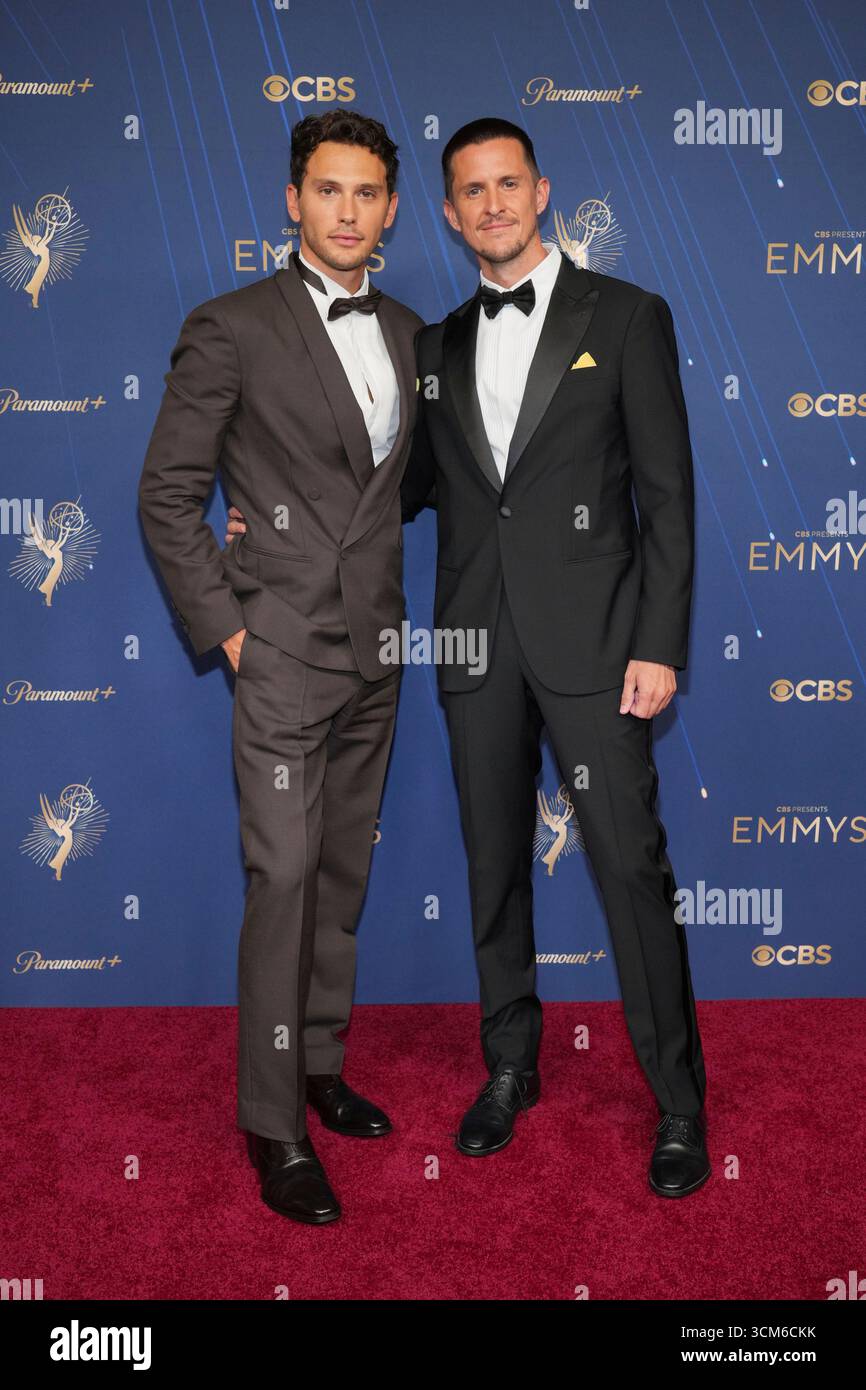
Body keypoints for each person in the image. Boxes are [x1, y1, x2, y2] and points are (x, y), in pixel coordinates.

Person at [228, 115, 710, 1199]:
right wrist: (270, 524)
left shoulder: (629, 317)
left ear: (541, 192)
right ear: (444, 215)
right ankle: (508, 1066)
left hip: (598, 653)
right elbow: (387, 495)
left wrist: (658, 644)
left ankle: (678, 1104)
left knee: (631, 872)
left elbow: (668, 498)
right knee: (494, 871)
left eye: (507, 184)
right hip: (473, 648)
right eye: (469, 191)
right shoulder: (432, 345)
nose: (490, 204)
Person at [138, 110, 423, 1225]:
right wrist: (234, 630)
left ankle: (316, 1064)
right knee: (286, 878)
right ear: (291, 201)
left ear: (390, 209)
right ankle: (271, 1122)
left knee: (340, 882)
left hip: (377, 649)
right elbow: (168, 494)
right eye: (327, 191)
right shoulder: (229, 325)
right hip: (282, 654)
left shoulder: (409, 331)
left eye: (365, 194)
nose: (346, 211)